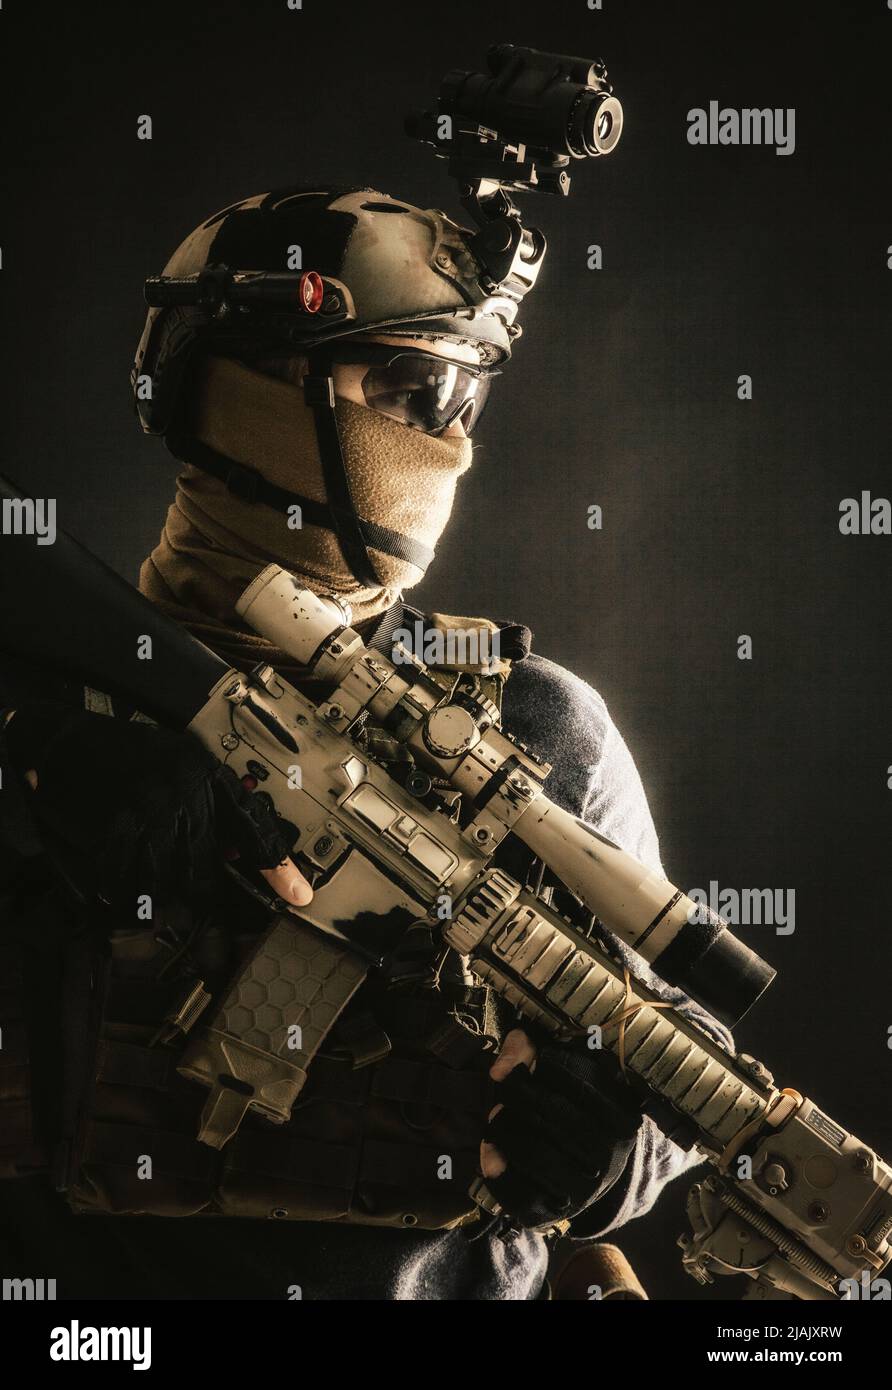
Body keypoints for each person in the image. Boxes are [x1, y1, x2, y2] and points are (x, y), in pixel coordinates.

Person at [0, 186, 733, 1300]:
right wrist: (29, 766)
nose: (443, 437)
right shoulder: (45, 685)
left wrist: (605, 1150)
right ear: (236, 385)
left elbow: (668, 1054)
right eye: (407, 385)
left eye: (463, 397)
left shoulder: (534, 726)